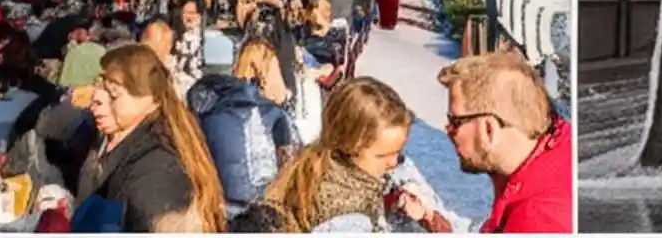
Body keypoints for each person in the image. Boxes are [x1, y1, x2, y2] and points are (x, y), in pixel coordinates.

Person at [231, 77, 416, 232]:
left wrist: (392, 205)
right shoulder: (345, 215)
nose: (394, 163)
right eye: (383, 156)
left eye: (398, 152)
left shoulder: (322, 164)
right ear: (350, 145)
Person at [78, 44, 226, 232]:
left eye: (114, 95)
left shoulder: (157, 168)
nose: (99, 101)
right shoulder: (139, 139)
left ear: (151, 100)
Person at [431, 51, 572, 233]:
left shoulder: (536, 222)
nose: (447, 131)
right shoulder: (557, 138)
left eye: (455, 123)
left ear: (489, 129)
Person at [187, 39, 297, 216]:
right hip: (262, 216)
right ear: (261, 71)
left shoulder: (206, 108)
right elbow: (290, 174)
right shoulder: (273, 115)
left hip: (216, 212)